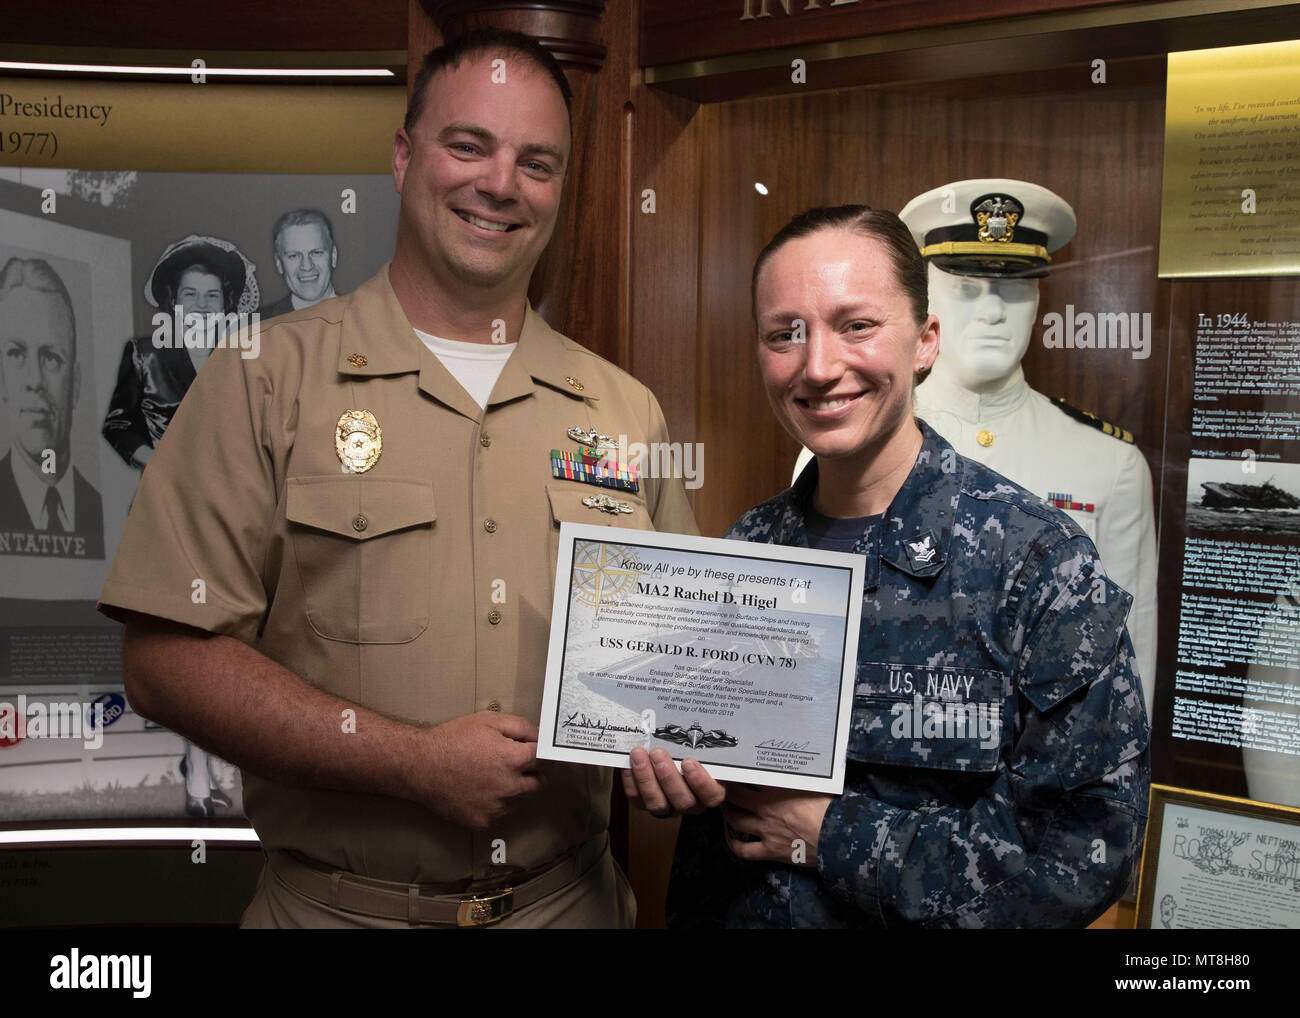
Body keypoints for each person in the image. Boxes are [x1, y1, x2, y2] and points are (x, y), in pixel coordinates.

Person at [97, 28, 697, 928]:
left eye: (537, 162)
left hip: (571, 905)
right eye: (469, 146)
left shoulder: (622, 412)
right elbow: (163, 660)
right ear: (403, 156)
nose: (501, 184)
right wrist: (409, 762)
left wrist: (677, 746)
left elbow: (678, 671)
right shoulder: (265, 376)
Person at [627, 205, 1148, 928]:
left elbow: (1083, 857)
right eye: (786, 334)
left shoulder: (1035, 565)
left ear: (926, 341)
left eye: (857, 326)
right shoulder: (748, 550)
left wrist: (829, 838)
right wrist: (677, 779)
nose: (818, 366)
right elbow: (715, 799)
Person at [903, 179, 1159, 718]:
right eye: (966, 286)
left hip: (1039, 787)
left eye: (1015, 285)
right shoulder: (850, 448)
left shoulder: (1109, 464)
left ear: (1040, 296)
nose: (993, 310)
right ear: (923, 297)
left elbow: (1126, 685)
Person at [103, 235, 258, 817]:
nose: (199, 305)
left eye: (211, 295)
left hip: (233, 514)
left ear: (224, 303)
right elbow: (120, 424)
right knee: (181, 644)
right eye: (188, 294)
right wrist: (158, 463)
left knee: (228, 639)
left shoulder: (247, 357)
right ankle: (198, 776)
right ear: (172, 300)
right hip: (166, 513)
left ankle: (213, 764)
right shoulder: (143, 354)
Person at [0, 256, 104, 559]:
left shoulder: (106, 512)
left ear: (76, 384)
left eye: (51, 357)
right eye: (17, 354)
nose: (35, 380)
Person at [260, 209, 338, 319]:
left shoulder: (364, 318)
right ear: (279, 263)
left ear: (333, 256)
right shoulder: (252, 326)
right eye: (293, 256)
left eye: (316, 253)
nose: (306, 267)